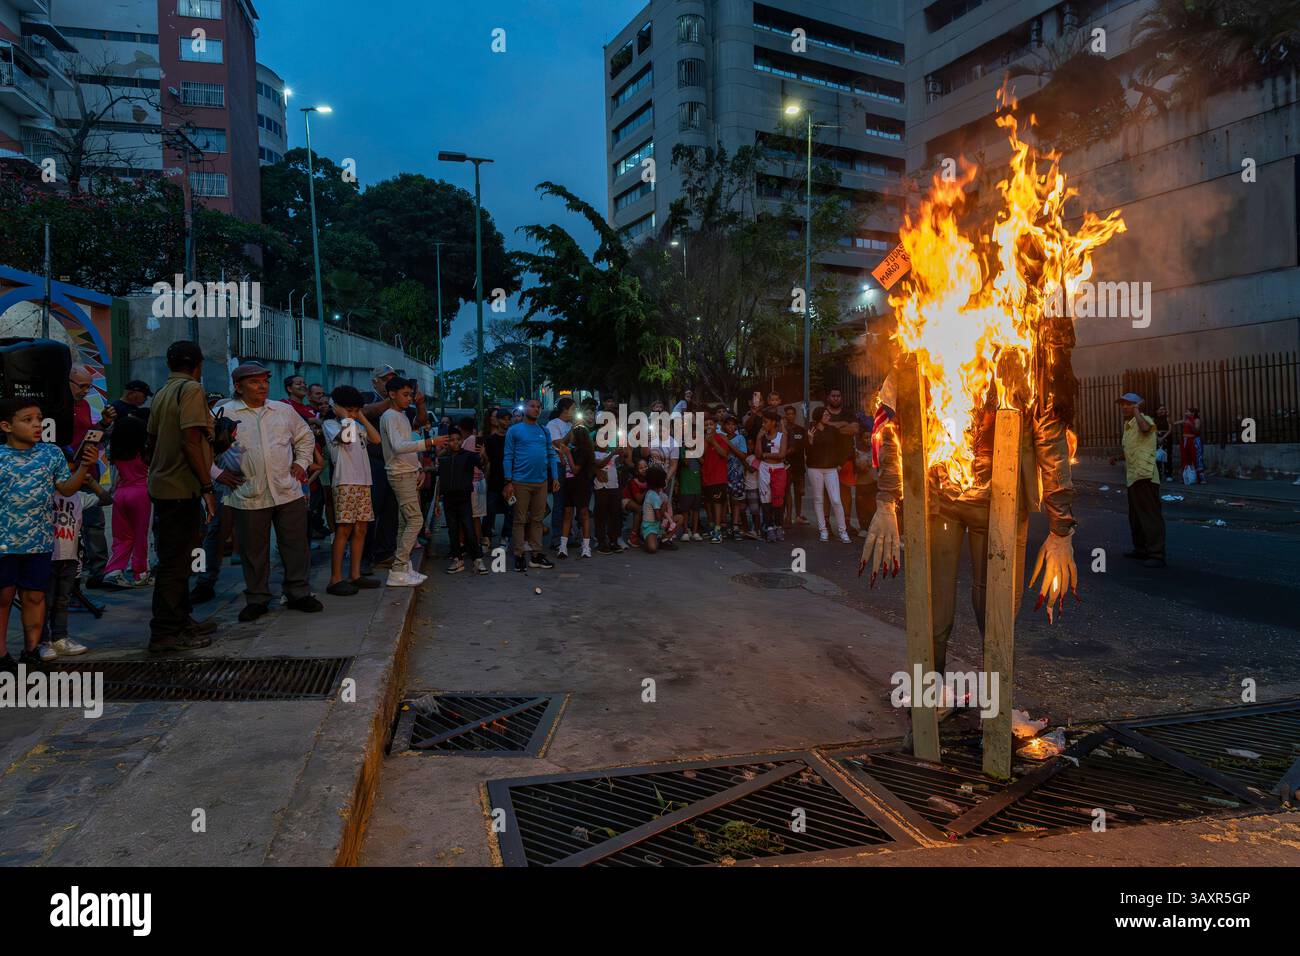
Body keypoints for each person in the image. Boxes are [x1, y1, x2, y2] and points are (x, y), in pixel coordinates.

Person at [0, 398, 98, 671]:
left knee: (35, 597)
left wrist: (83, 467)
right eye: (27, 420)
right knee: (3, 598)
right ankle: (2, 656)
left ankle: (32, 652)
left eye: (39, 419)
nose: (37, 425)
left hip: (40, 542)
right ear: (6, 425)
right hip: (3, 544)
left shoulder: (51, 454)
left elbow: (66, 489)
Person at [218, 362, 322, 620]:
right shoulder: (223, 411)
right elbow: (203, 446)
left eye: (264, 380)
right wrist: (216, 474)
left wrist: (301, 462)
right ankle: (257, 598)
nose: (262, 386)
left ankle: (298, 592)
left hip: (287, 490)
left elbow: (305, 437)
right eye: (254, 382)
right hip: (248, 492)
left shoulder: (282, 410)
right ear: (239, 387)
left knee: (296, 546)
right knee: (253, 551)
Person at [144, 340, 217, 652]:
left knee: (179, 559)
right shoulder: (191, 390)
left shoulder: (163, 392)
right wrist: (208, 487)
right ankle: (164, 633)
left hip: (164, 485)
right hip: (180, 488)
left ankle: (180, 620)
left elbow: (150, 442)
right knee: (175, 563)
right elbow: (190, 440)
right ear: (198, 365)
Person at [380, 377, 448, 587]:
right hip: (399, 472)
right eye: (405, 394)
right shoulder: (390, 416)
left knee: (405, 521)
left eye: (410, 394)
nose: (409, 398)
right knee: (415, 520)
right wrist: (429, 442)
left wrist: (418, 468)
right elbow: (399, 447)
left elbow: (406, 445)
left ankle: (403, 566)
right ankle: (399, 568)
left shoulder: (400, 415)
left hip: (408, 471)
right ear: (392, 394)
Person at [43, 451, 105, 659]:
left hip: (69, 557)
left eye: (72, 474)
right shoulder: (46, 495)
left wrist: (89, 480)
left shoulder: (79, 496)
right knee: (46, 600)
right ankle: (43, 641)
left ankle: (60, 637)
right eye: (64, 474)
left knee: (62, 600)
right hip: (47, 556)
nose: (69, 479)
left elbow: (106, 499)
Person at [322, 386, 381, 596]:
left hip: (363, 481)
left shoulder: (356, 424)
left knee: (361, 528)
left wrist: (360, 417)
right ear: (336, 407)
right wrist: (345, 416)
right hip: (345, 482)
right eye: (349, 409)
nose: (353, 413)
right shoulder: (330, 424)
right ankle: (335, 578)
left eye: (356, 409)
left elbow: (376, 439)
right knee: (344, 530)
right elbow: (345, 439)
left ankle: (355, 574)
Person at [503, 397, 559, 572]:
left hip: (541, 482)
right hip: (520, 482)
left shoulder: (544, 430)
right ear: (525, 408)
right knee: (519, 520)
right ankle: (519, 555)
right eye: (532, 406)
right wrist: (508, 481)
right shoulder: (514, 431)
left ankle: (536, 555)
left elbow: (551, 454)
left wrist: (555, 477)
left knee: (537, 519)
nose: (536, 409)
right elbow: (508, 456)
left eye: (539, 407)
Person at [69, 366, 113, 589]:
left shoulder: (85, 405)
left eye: (89, 386)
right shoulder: (61, 407)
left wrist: (103, 424)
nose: (86, 391)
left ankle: (98, 571)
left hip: (88, 470)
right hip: (70, 473)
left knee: (95, 523)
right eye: (82, 386)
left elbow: (90, 435)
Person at [1112, 392, 1166, 568]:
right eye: (1123, 404)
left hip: (1146, 476)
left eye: (1129, 404)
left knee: (1150, 516)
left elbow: (1144, 429)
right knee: (1135, 517)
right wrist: (1118, 457)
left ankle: (1156, 554)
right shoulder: (1128, 426)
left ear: (1136, 406)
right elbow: (1132, 448)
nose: (1124, 407)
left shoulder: (1145, 419)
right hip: (1133, 477)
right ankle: (1141, 549)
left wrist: (1137, 411)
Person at [101, 414, 153, 588]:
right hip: (141, 493)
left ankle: (114, 571)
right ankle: (141, 573)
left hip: (121, 494)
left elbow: (115, 477)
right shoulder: (144, 451)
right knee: (141, 536)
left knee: (122, 536)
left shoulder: (117, 452)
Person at [438, 429, 488, 574]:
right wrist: (437, 501)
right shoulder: (444, 458)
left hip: (464, 498)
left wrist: (483, 455)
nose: (455, 442)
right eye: (452, 440)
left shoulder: (468, 456)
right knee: (452, 530)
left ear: (461, 440)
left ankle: (478, 560)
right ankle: (457, 559)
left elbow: (482, 465)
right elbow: (440, 480)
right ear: (448, 442)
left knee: (469, 529)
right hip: (448, 499)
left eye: (458, 439)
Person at [805, 405, 851, 543]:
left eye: (828, 414)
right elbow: (807, 452)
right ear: (819, 416)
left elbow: (842, 448)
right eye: (825, 415)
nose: (828, 416)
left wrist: (840, 464)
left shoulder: (833, 430)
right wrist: (810, 440)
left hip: (831, 469)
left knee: (836, 500)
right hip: (815, 468)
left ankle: (843, 532)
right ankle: (823, 531)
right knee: (818, 499)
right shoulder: (811, 430)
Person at [558, 424, 596, 559]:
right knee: (567, 513)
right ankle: (562, 547)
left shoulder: (584, 451)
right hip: (569, 484)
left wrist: (567, 453)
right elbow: (566, 465)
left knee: (583, 513)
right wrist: (562, 454)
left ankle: (586, 547)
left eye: (573, 435)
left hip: (581, 485)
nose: (571, 438)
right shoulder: (574, 450)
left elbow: (575, 470)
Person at [547, 397, 576, 549]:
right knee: (559, 502)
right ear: (565, 409)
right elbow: (559, 444)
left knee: (569, 503)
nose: (576, 412)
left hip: (571, 466)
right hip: (559, 465)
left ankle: (568, 535)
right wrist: (572, 430)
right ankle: (557, 538)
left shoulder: (571, 424)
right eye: (573, 409)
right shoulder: (553, 424)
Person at [755, 408, 788, 541]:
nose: (763, 425)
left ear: (774, 423)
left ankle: (779, 526)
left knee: (778, 498)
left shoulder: (781, 436)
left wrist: (766, 454)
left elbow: (782, 455)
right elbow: (758, 455)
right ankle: (769, 527)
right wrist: (758, 439)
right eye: (763, 422)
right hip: (764, 468)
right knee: (765, 499)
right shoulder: (762, 437)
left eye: (766, 422)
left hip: (778, 469)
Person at [483, 408, 513, 550]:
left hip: (511, 481)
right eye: (503, 419)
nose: (506, 422)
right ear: (497, 420)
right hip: (494, 481)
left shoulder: (513, 438)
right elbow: (488, 462)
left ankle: (505, 537)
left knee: (510, 510)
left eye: (508, 419)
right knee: (489, 512)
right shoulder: (490, 440)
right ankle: (486, 538)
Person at [592, 425, 625, 554]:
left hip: (614, 487)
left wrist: (621, 453)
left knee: (615, 515)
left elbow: (621, 462)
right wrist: (613, 453)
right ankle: (601, 542)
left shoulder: (610, 453)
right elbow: (600, 464)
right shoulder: (594, 454)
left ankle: (613, 540)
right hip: (601, 489)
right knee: (601, 516)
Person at [700, 417, 729, 543]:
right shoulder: (702, 440)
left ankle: (718, 530)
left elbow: (724, 454)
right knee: (708, 503)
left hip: (719, 477)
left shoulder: (721, 438)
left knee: (718, 503)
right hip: (707, 477)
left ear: (716, 425)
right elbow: (700, 457)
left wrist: (713, 442)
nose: (709, 426)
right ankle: (712, 527)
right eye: (706, 425)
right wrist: (707, 442)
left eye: (711, 424)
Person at [640, 466, 680, 553]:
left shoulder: (657, 493)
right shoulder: (653, 496)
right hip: (650, 526)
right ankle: (653, 539)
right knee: (652, 548)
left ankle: (664, 540)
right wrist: (664, 506)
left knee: (680, 518)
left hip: (658, 525)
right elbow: (658, 517)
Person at [781, 405, 807, 527]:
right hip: (786, 465)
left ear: (795, 415)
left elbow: (805, 447)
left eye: (792, 413)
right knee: (787, 491)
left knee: (799, 492)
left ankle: (798, 515)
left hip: (799, 465)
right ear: (785, 415)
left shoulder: (801, 430)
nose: (790, 416)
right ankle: (788, 516)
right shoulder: (782, 430)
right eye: (788, 414)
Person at [1181, 406, 1205, 483]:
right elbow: (1175, 423)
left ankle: (1201, 477)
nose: (1185, 413)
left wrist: (1191, 425)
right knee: (1186, 458)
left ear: (1192, 413)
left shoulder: (1196, 420)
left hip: (1194, 441)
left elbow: (1197, 431)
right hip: (1186, 441)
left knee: (1197, 458)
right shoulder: (1186, 420)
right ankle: (1187, 476)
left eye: (1187, 412)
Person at [1154, 403, 1172, 483]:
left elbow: (1170, 429)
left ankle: (1168, 474)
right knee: (1158, 456)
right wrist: (1157, 437)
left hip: (1166, 437)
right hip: (1157, 438)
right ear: (1157, 411)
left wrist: (1163, 437)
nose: (1163, 411)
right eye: (1161, 409)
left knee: (1167, 456)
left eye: (1164, 409)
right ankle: (1159, 474)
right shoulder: (1154, 419)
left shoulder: (1168, 418)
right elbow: (1154, 429)